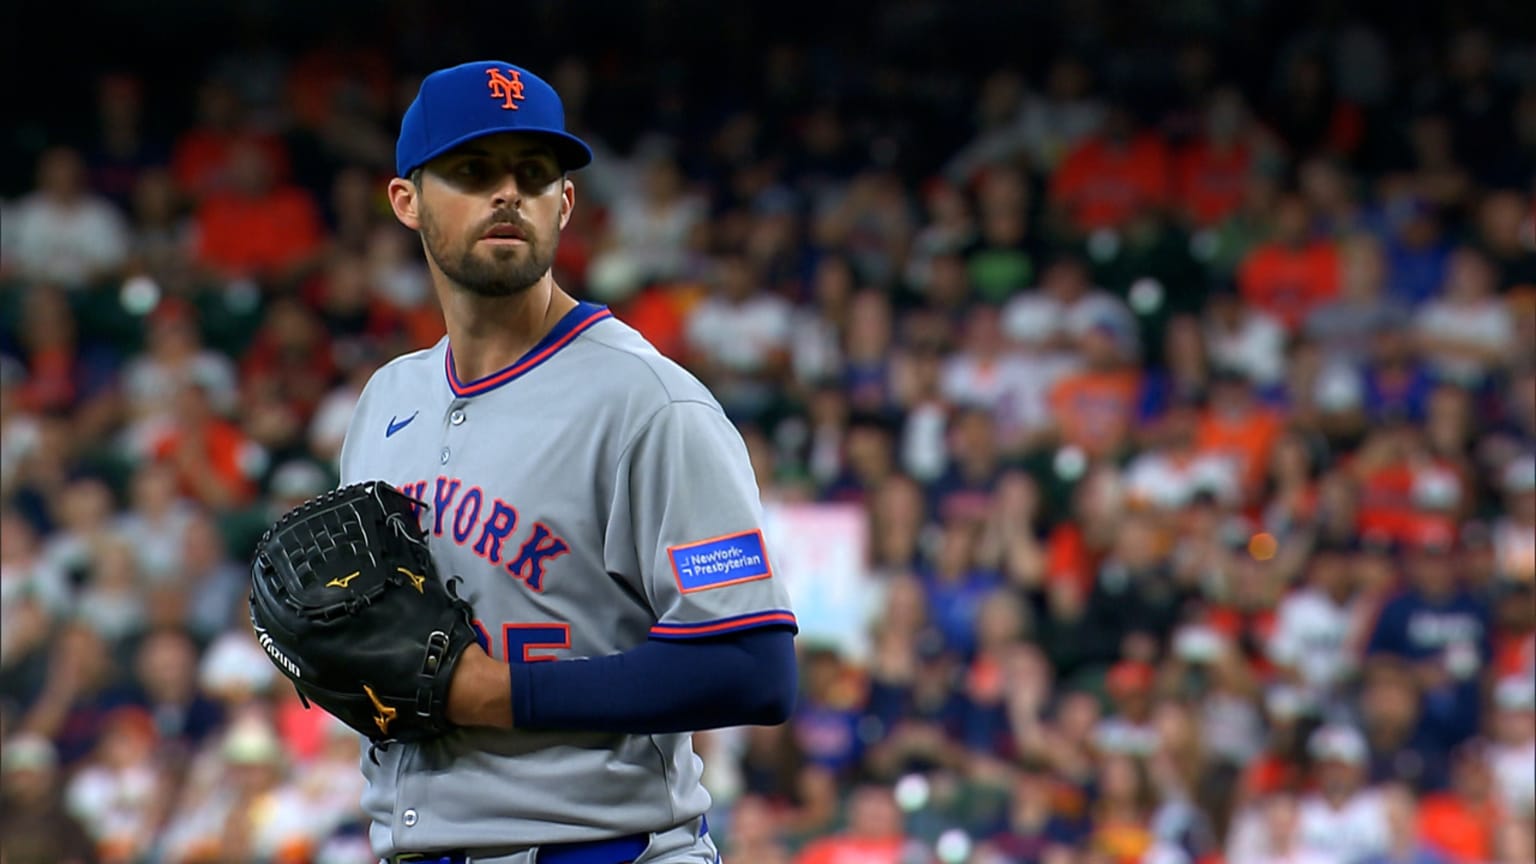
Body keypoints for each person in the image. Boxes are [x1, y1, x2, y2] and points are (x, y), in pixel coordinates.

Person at [335, 60, 799, 863]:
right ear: (406, 202)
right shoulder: (386, 400)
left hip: (605, 847)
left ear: (566, 203)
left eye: (533, 173)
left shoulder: (650, 401)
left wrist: (494, 693)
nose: (507, 194)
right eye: (472, 171)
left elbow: (752, 668)